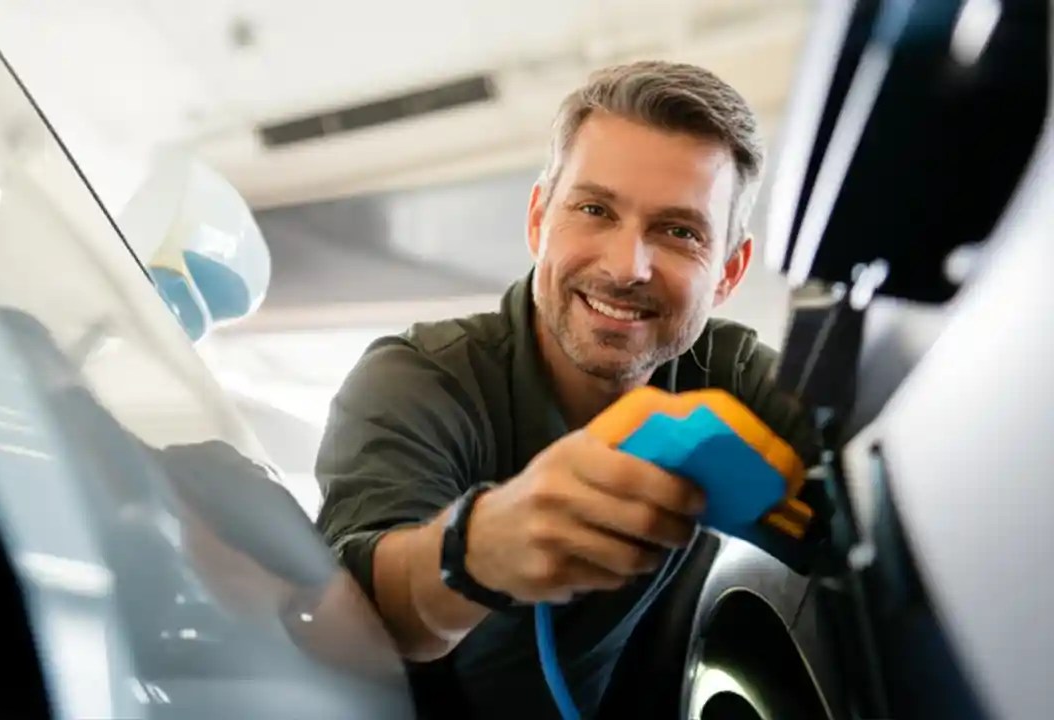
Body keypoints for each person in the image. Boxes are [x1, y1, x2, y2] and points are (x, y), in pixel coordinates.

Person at [314, 60, 817, 718]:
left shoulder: (729, 375)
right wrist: (476, 551)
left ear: (728, 272)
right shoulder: (420, 379)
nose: (625, 266)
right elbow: (345, 621)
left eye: (679, 232)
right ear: (538, 219)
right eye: (594, 209)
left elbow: (870, 478)